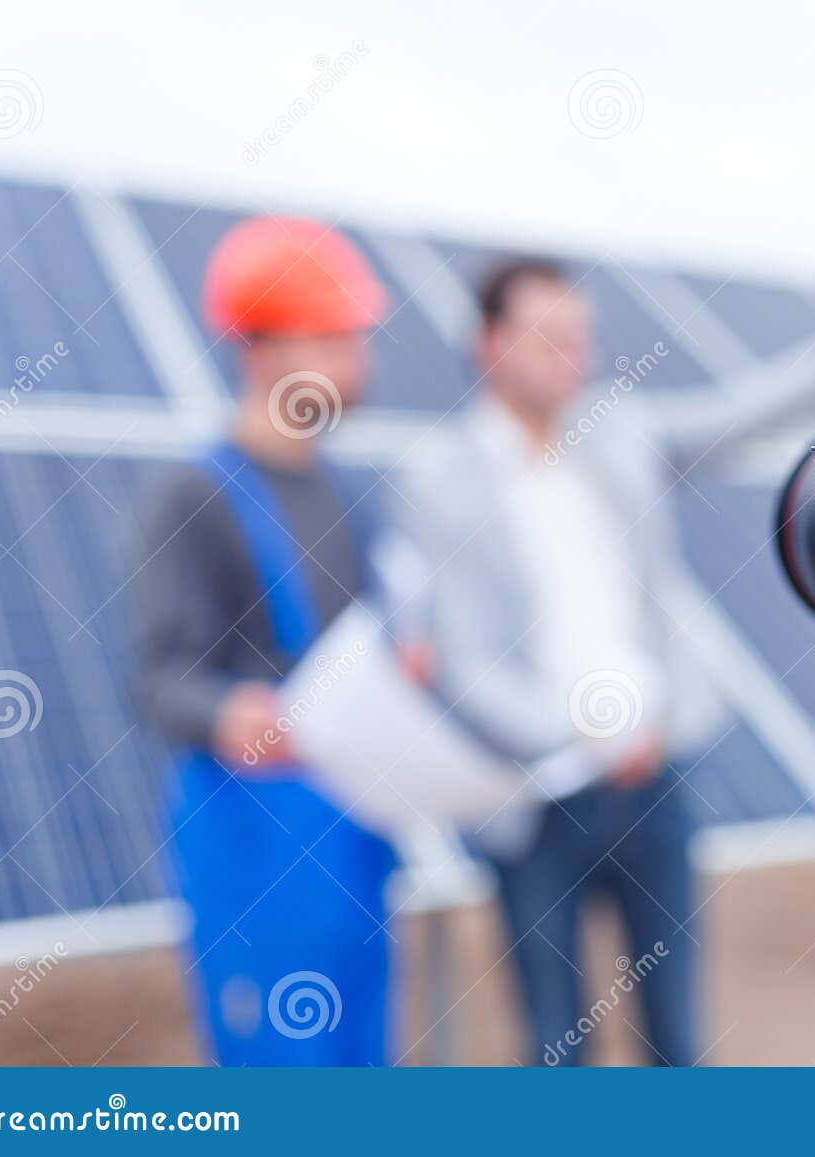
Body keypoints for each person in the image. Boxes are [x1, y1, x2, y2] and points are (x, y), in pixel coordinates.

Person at [395, 257, 717, 1066]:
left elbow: (732, 420)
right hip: (534, 799)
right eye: (545, 335)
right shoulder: (438, 481)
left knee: (679, 1039)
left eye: (577, 336)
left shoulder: (620, 440)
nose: (566, 354)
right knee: (556, 1044)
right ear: (489, 343)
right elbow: (460, 663)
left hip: (653, 782)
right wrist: (581, 738)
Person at [131, 217, 397, 1066]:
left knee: (360, 1051)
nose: (358, 360)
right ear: (261, 349)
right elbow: (156, 676)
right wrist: (226, 712)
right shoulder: (191, 497)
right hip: (250, 839)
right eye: (335, 336)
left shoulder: (348, 493)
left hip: (352, 826)